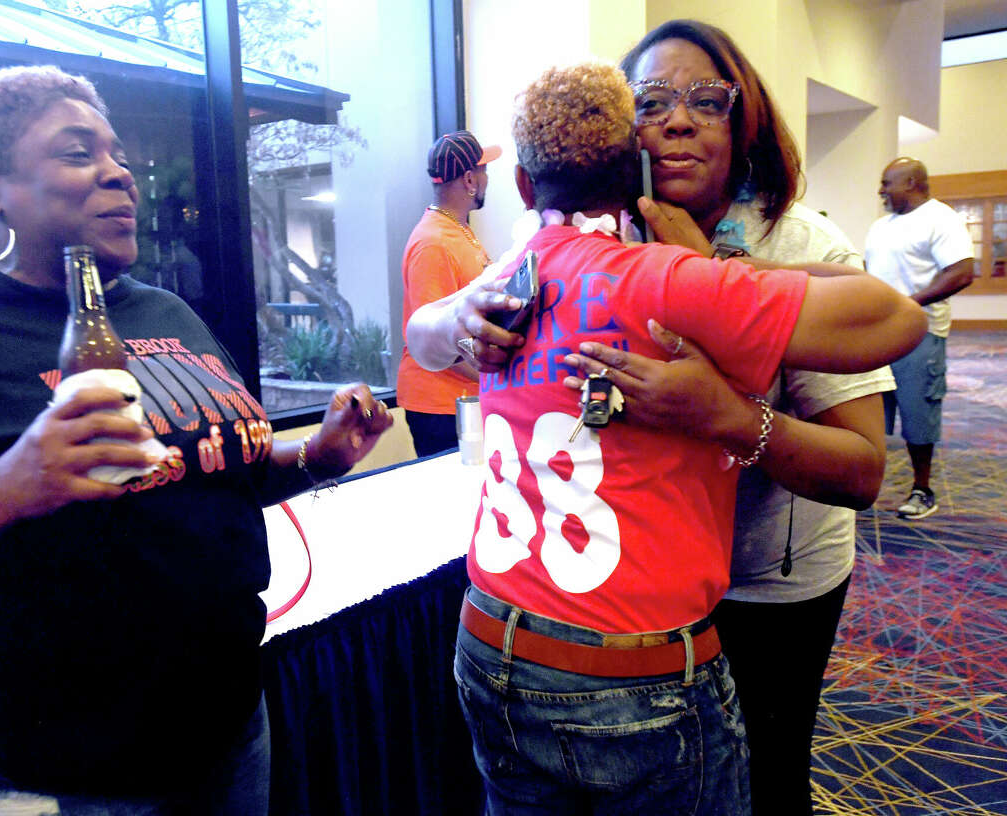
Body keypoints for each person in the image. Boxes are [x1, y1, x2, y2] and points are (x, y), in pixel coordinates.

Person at [0, 65, 391, 816]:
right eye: (79, 152)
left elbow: (204, 475)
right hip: (36, 776)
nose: (120, 174)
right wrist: (5, 488)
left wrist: (317, 458)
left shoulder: (166, 312)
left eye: (119, 155)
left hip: (224, 741)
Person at [406, 60, 925, 814]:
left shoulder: (506, 275)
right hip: (627, 666)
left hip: (491, 636)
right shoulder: (667, 280)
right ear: (637, 170)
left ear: (522, 188)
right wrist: (713, 265)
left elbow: (423, 339)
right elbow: (897, 318)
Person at [543, 21, 900, 816]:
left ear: (744, 124)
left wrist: (733, 417)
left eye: (707, 100)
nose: (676, 119)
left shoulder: (804, 243)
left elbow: (864, 470)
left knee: (763, 779)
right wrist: (461, 323)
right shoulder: (605, 242)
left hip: (767, 584)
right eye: (651, 101)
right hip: (647, 584)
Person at [865, 157, 975, 520]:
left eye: (887, 183)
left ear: (911, 182)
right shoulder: (881, 226)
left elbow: (961, 273)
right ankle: (866, 486)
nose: (881, 191)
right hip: (877, 335)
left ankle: (922, 489)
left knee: (918, 414)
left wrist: (906, 306)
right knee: (870, 414)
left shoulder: (941, 219)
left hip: (920, 333)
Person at [397, 129, 501, 456]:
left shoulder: (456, 229)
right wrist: (498, 381)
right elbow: (433, 342)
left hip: (462, 399)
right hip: (441, 406)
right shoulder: (432, 243)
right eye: (483, 171)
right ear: (469, 180)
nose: (487, 178)